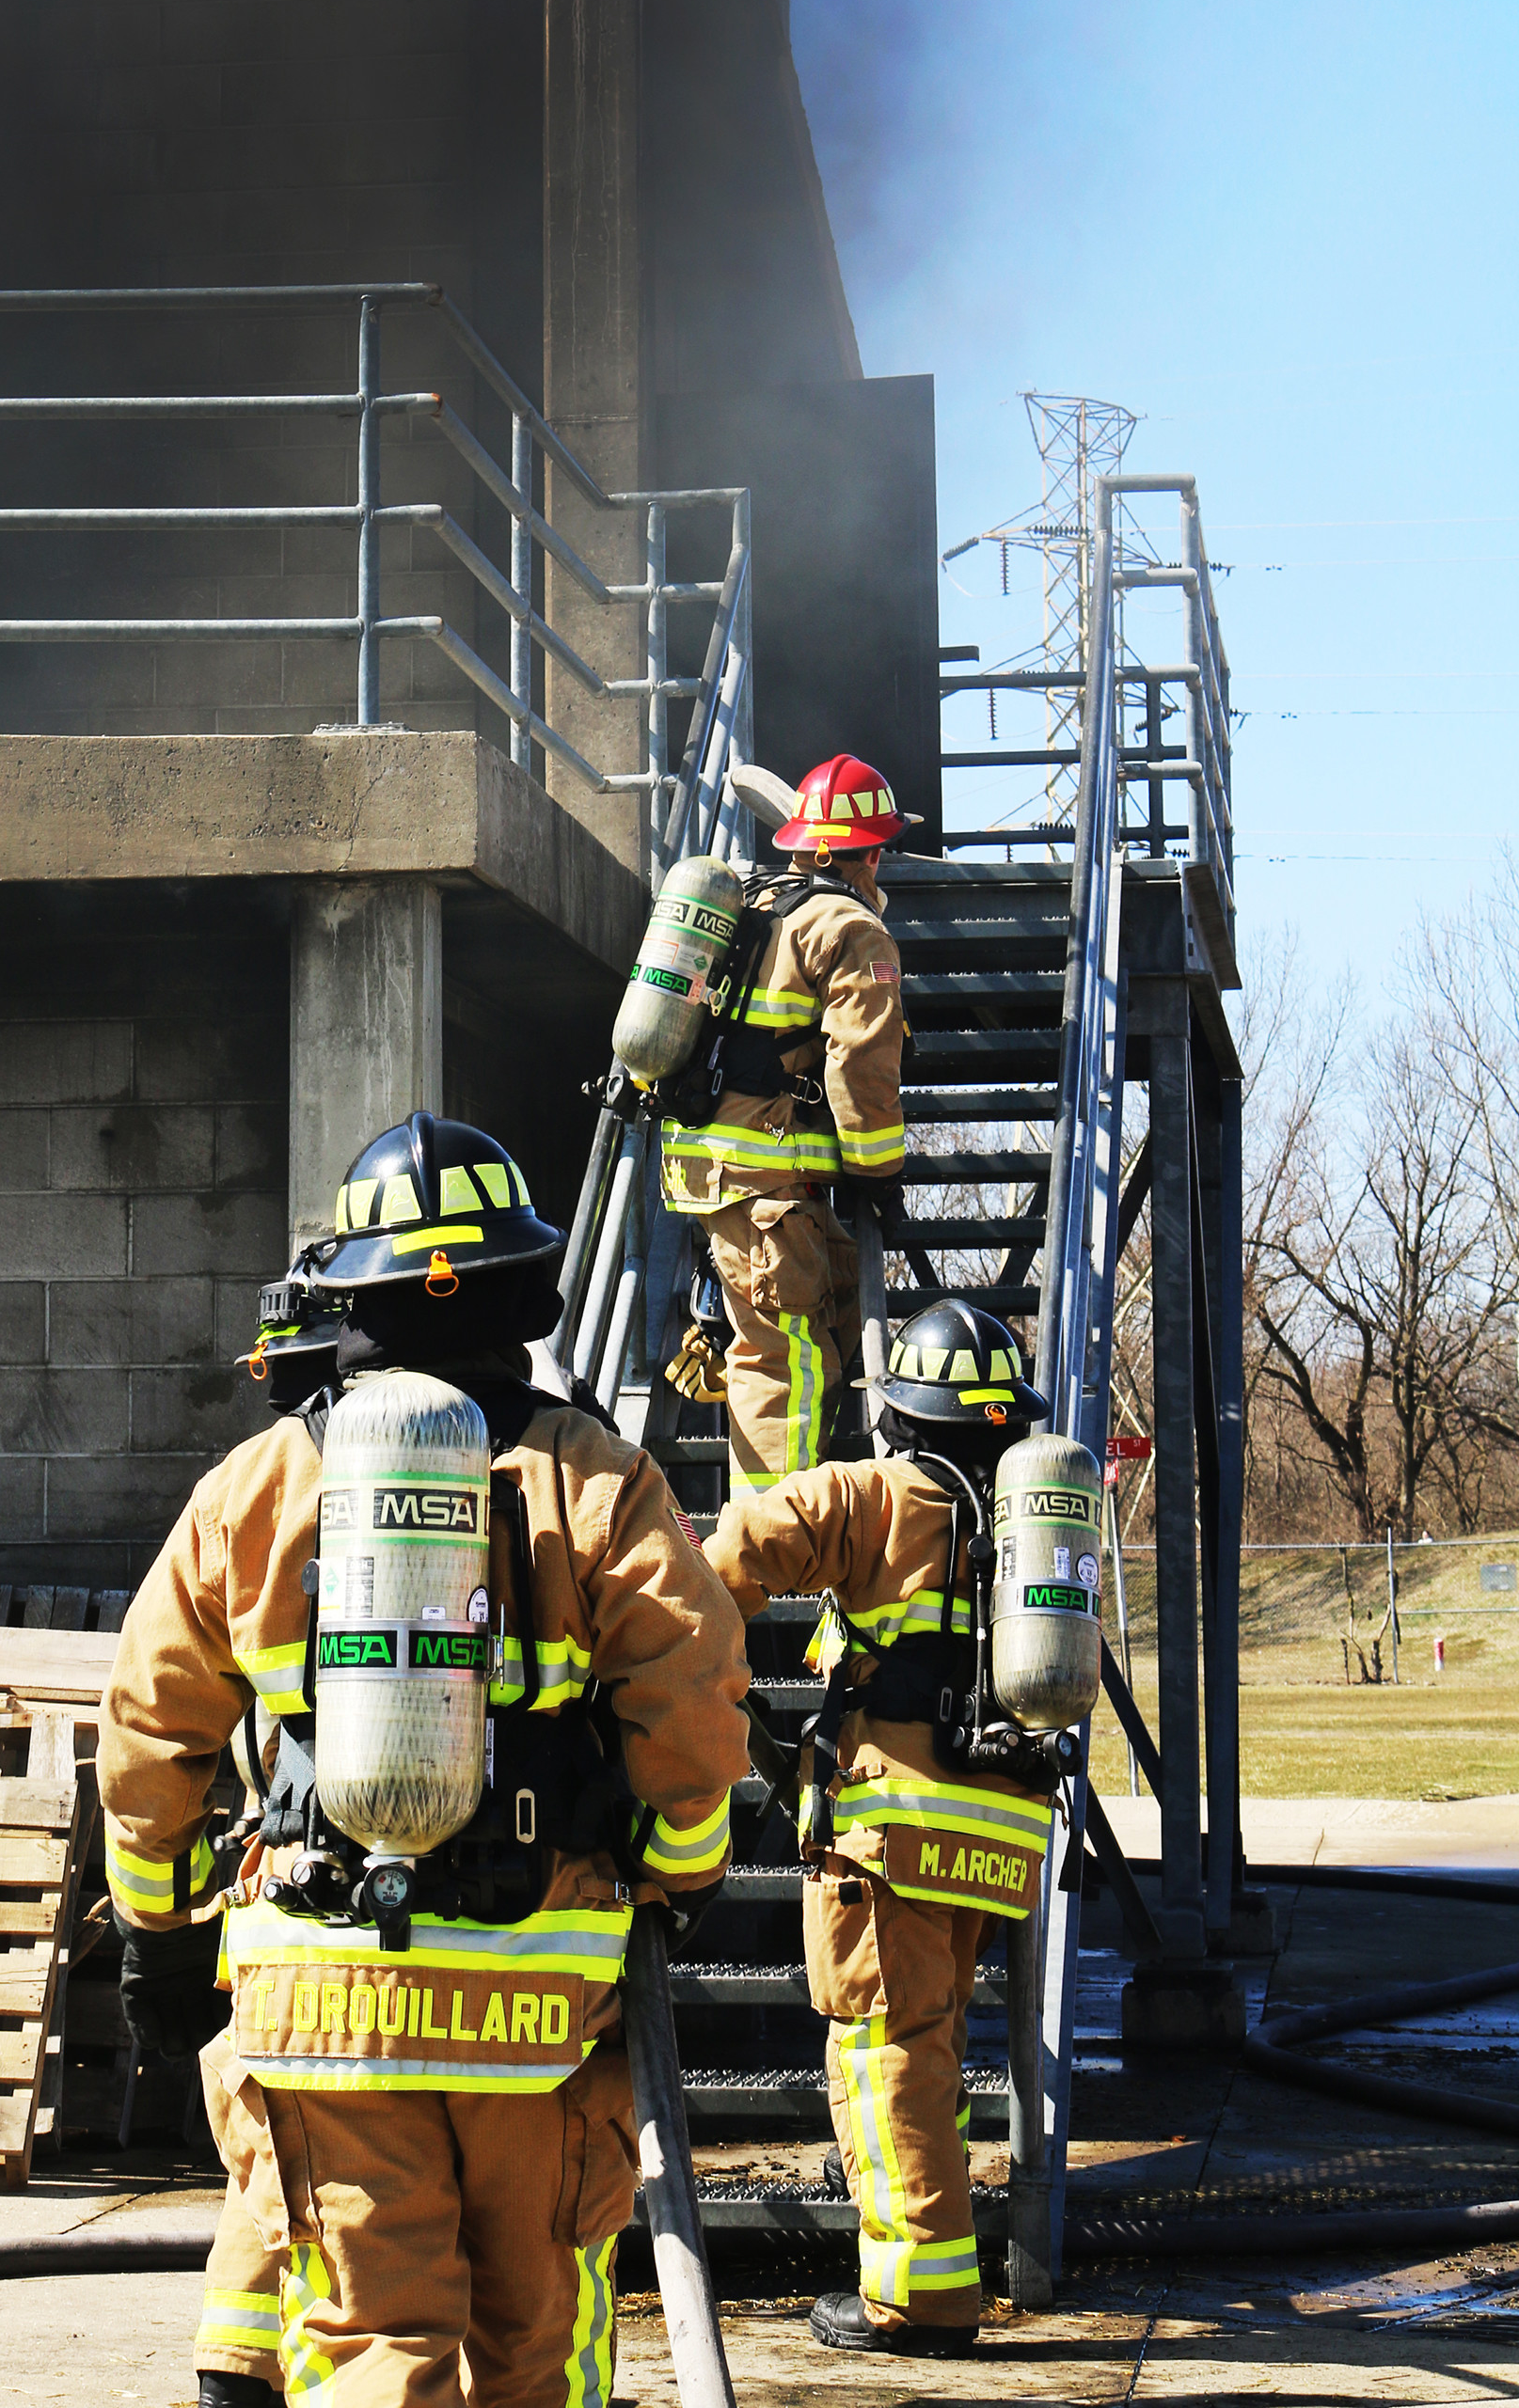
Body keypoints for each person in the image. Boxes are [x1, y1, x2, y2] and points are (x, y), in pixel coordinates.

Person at [98, 1111, 752, 2408]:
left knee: (365, 2344)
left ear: (351, 1294)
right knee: (539, 2340)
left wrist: (159, 1931)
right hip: (535, 2010)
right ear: (524, 1283)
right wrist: (681, 1871)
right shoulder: (600, 1482)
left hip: (331, 2001)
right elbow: (694, 1699)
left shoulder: (258, 1483)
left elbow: (149, 1722)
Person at [705, 1295, 1057, 2358]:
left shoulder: (869, 1496)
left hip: (889, 1833)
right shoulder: (1015, 1520)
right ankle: (902, 2204)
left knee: (885, 2049)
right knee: (928, 2039)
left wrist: (705, 1684)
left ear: (900, 1412)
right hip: (994, 1835)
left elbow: (730, 1551)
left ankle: (919, 2297)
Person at [660, 750, 910, 1490]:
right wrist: (878, 1173)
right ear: (862, 856)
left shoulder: (759, 905)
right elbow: (861, 1064)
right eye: (882, 852)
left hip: (712, 1162)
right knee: (785, 1359)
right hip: (763, 1177)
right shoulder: (851, 928)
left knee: (832, 1305)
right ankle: (770, 1558)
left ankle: (809, 1517)